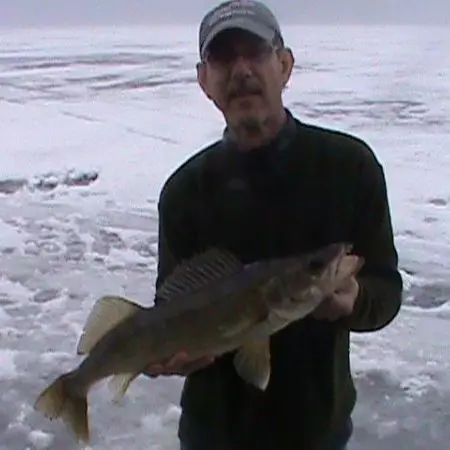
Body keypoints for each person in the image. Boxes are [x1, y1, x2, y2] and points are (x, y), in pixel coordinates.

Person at [145, 1, 403, 449]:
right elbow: (172, 304)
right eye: (223, 58)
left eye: (256, 52)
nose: (241, 69)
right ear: (204, 81)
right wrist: (165, 356)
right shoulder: (184, 193)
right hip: (213, 436)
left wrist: (356, 300)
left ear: (284, 65)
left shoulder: (349, 168)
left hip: (316, 432)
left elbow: (386, 290)